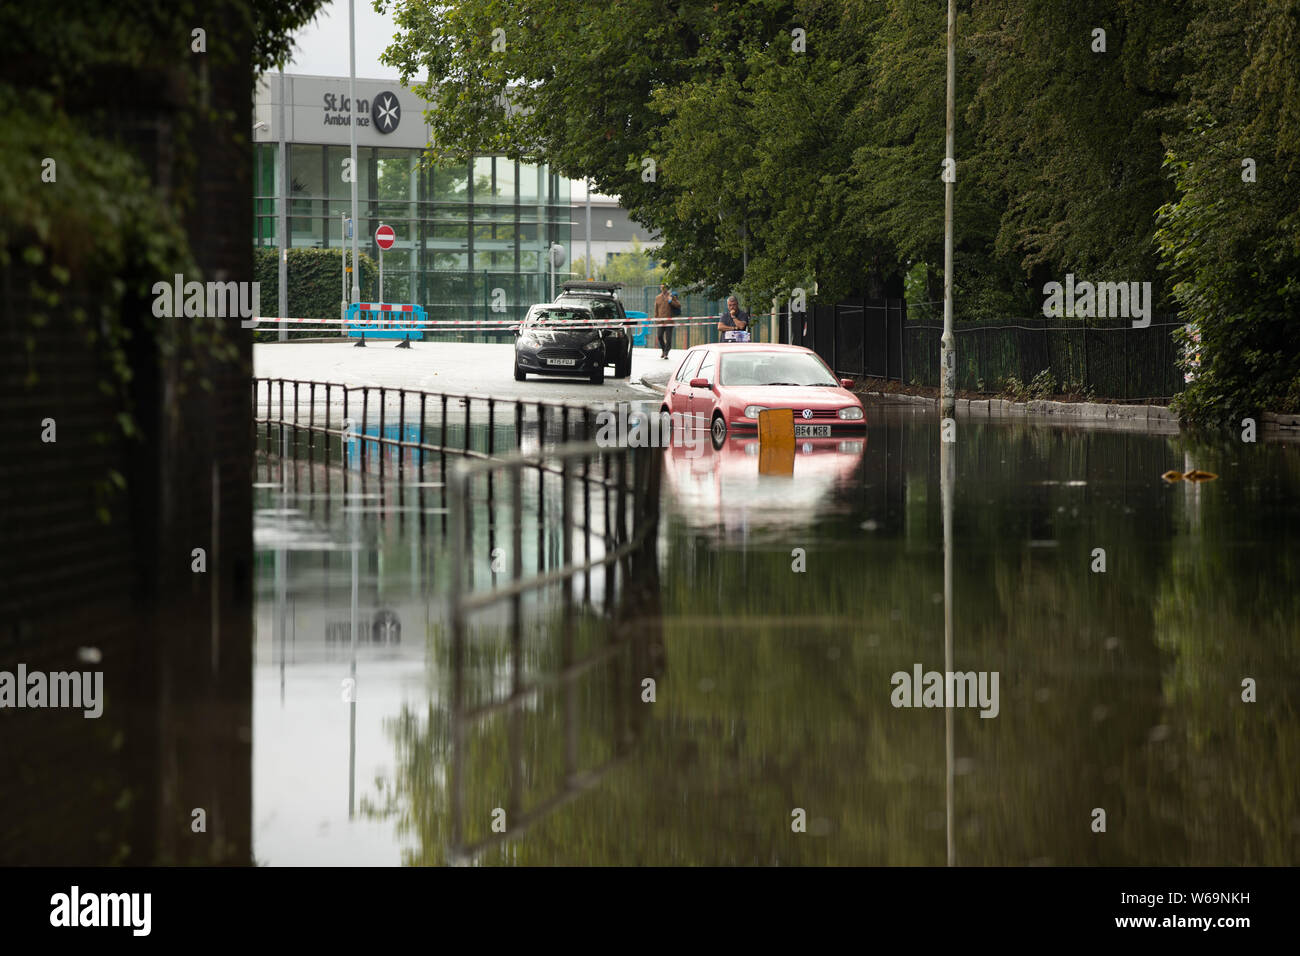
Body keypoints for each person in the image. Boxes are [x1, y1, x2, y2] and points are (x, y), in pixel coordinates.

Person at [653, 282, 681, 359]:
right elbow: (656, 309)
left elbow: (678, 305)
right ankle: (663, 349)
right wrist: (656, 318)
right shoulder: (657, 297)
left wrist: (671, 301)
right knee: (659, 336)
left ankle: (666, 353)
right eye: (661, 287)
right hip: (660, 321)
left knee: (668, 338)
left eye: (664, 287)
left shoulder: (671, 296)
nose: (663, 289)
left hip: (669, 321)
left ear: (667, 288)